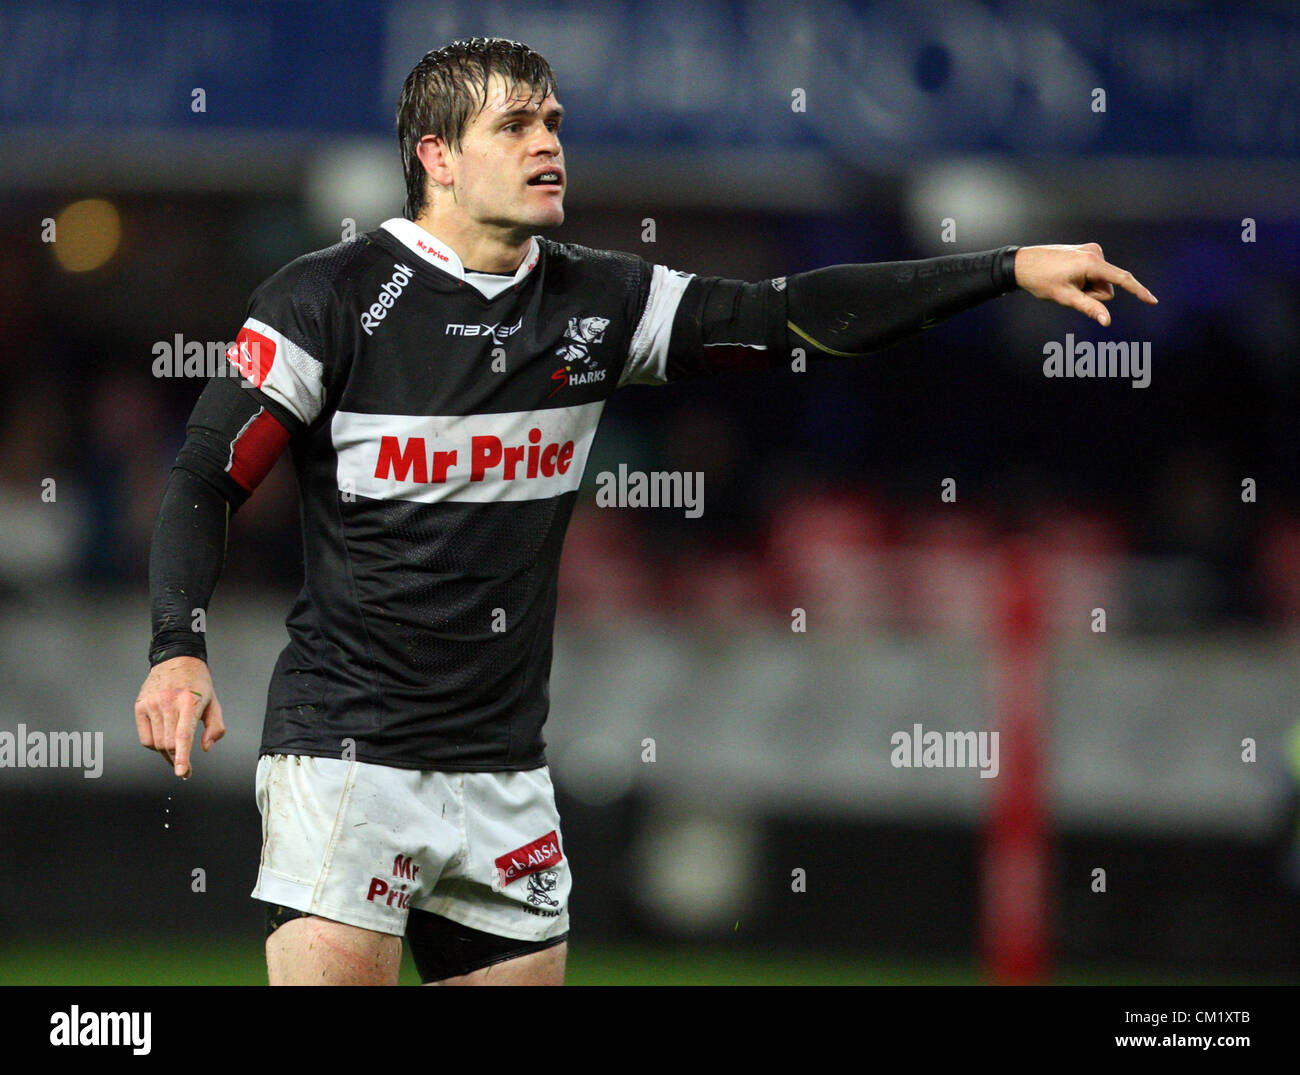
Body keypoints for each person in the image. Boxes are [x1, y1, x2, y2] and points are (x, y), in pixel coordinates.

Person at [133, 37, 1157, 986]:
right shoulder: (329, 300)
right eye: (517, 126)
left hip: (504, 772)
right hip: (345, 755)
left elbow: (791, 312)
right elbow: (204, 478)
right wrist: (177, 644)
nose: (548, 145)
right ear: (435, 156)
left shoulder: (601, 301)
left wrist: (1006, 268)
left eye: (555, 124)